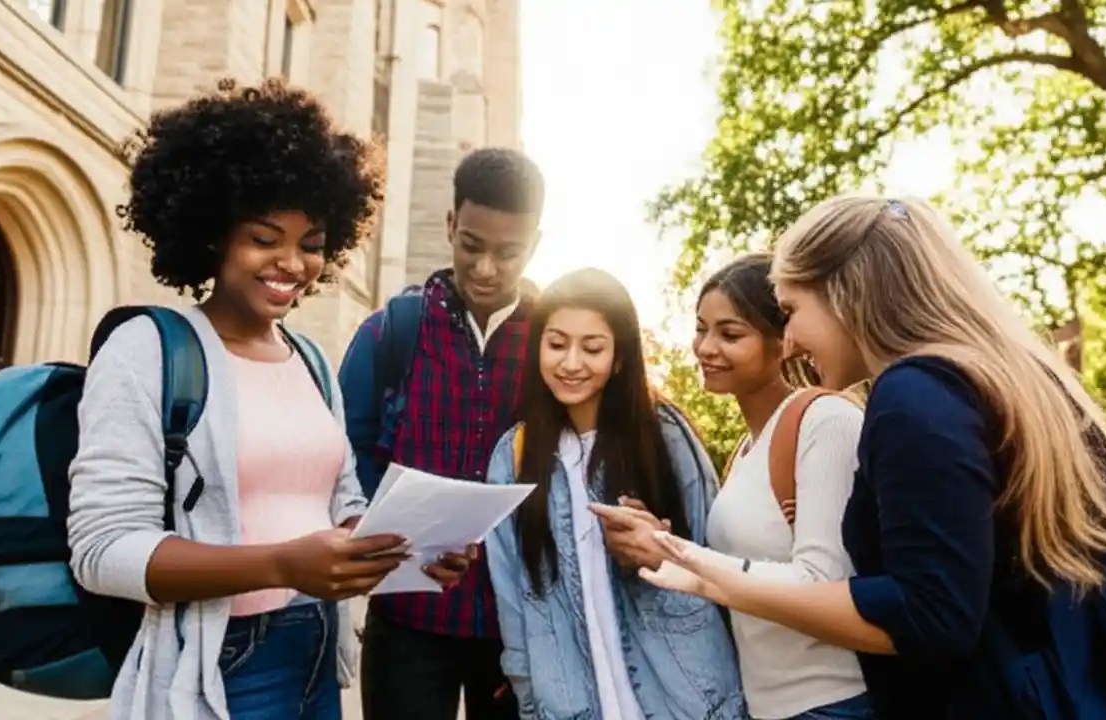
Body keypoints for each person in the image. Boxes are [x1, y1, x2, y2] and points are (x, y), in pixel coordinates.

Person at [639, 195, 1106, 718]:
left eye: (791, 311)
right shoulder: (1003, 377)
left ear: (846, 292)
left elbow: (930, 615)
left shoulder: (912, 397)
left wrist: (717, 579)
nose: (794, 341)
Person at [67, 78, 474, 720]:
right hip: (219, 663)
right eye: (265, 238)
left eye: (311, 244)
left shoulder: (310, 359)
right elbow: (102, 551)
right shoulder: (148, 348)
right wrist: (282, 564)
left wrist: (409, 550)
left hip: (315, 650)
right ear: (211, 234)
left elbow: (340, 503)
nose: (292, 262)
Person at [594, 254, 871, 720]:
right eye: (701, 328)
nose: (705, 347)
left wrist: (675, 553)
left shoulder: (826, 421)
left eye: (730, 333)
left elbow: (824, 583)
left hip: (832, 702)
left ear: (782, 341)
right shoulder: (746, 450)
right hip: (766, 706)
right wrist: (659, 543)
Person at [485, 268, 746, 719]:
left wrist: (661, 549)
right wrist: (529, 700)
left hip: (687, 700)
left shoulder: (665, 437)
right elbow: (513, 602)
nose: (571, 363)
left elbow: (716, 563)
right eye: (556, 343)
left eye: (592, 348)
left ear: (620, 357)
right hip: (569, 703)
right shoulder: (513, 457)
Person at [339, 147, 545, 719]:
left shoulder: (557, 343)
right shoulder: (392, 331)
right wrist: (374, 529)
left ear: (536, 244)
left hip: (516, 624)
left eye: (508, 254)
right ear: (451, 224)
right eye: (471, 246)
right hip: (407, 618)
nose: (485, 269)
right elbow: (344, 456)